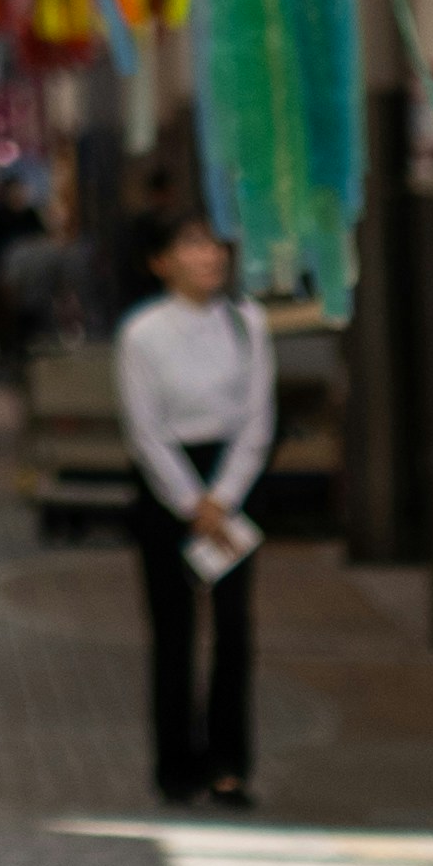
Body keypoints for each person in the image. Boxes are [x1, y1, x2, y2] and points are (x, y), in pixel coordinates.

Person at [117, 217, 274, 807]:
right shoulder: (142, 334)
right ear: (162, 263)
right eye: (191, 245)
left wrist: (224, 497)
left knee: (234, 627)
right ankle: (175, 765)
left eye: (213, 244)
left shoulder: (247, 323)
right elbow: (144, 429)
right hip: (167, 488)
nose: (208, 256)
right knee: (173, 630)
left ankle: (229, 764)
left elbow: (258, 417)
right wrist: (189, 500)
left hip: (233, 480)